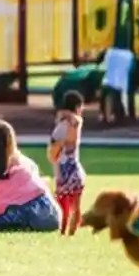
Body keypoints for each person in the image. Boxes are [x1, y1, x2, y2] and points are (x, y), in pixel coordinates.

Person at [48, 90, 87, 236]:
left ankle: (66, 232)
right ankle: (67, 232)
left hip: (66, 168)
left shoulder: (64, 122)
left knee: (67, 205)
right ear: (77, 106)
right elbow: (70, 140)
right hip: (68, 168)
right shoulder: (71, 122)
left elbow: (61, 144)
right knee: (71, 205)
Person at [99, 46, 134, 124]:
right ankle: (119, 116)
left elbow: (103, 66)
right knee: (118, 99)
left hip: (109, 81)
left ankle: (107, 116)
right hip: (120, 82)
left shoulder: (110, 53)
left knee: (107, 96)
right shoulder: (128, 54)